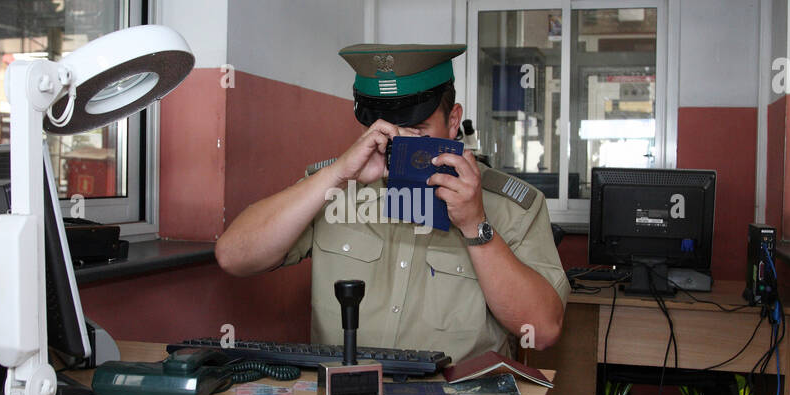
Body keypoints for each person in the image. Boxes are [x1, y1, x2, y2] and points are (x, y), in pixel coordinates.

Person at [216, 43, 568, 361]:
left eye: (417, 130)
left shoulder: (512, 206)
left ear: (453, 120)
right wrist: (337, 174)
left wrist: (475, 226)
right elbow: (234, 257)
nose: (397, 145)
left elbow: (542, 331)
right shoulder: (338, 188)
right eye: (384, 131)